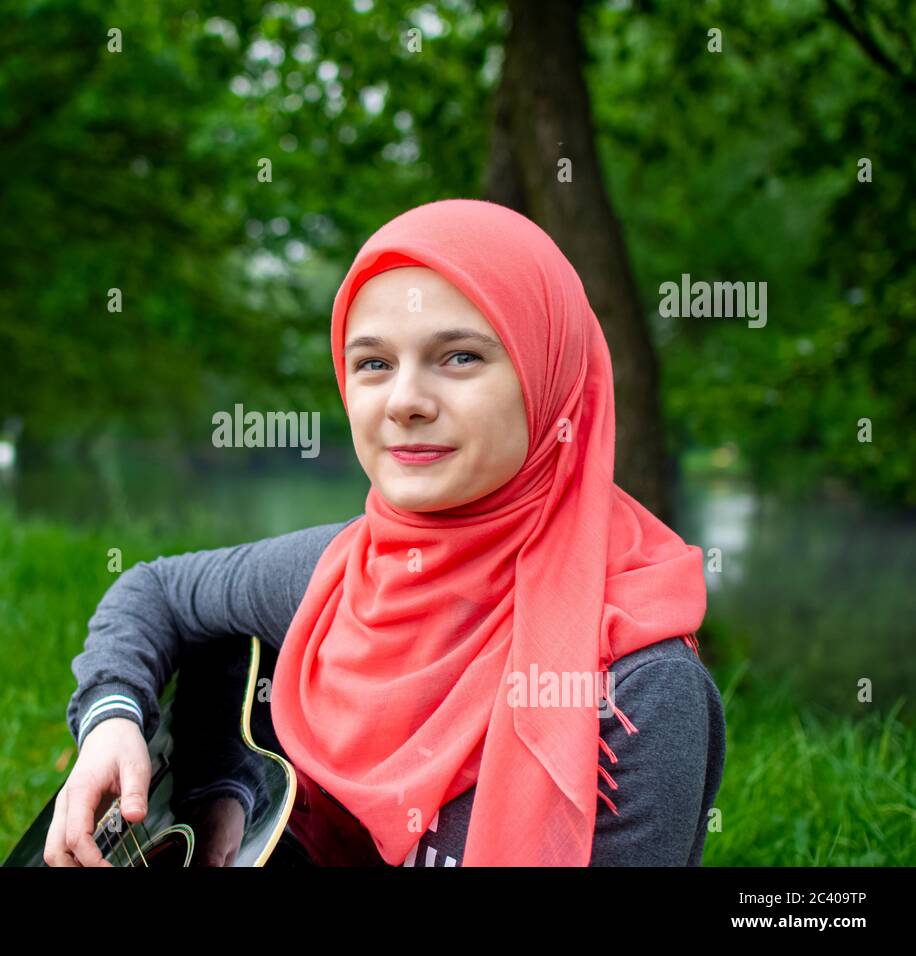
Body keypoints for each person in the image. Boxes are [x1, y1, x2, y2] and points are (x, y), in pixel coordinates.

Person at [43, 198, 725, 867]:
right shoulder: (341, 573)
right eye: (373, 363)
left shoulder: (640, 688)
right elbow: (155, 590)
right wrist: (111, 719)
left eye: (459, 357)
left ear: (549, 376)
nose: (405, 402)